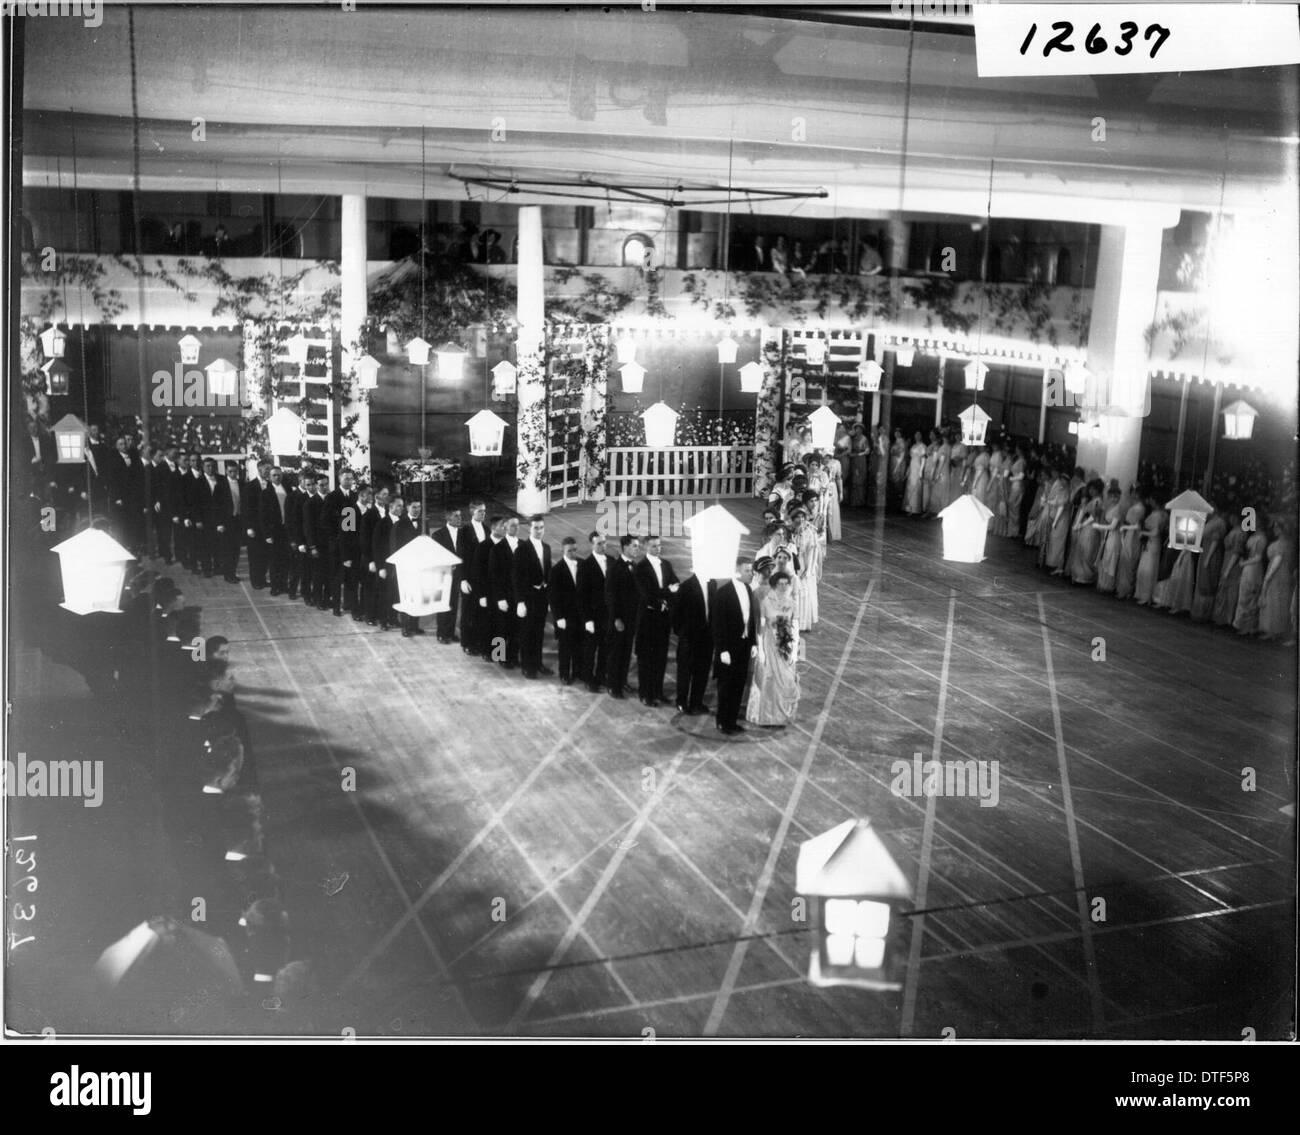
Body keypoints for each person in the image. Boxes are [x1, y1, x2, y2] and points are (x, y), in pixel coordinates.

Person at [746, 571, 801, 727]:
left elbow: (795, 628)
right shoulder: (766, 602)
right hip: (769, 644)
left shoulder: (793, 604)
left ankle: (781, 716)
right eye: (780, 584)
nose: (783, 587)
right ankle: (767, 716)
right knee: (769, 680)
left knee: (786, 679)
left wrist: (795, 651)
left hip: (786, 646)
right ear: (774, 585)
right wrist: (761, 651)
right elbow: (761, 628)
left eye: (786, 584)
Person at [711, 558, 758, 736]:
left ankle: (731, 720)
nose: (751, 573)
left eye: (751, 571)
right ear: (737, 571)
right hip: (729, 649)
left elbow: (750, 619)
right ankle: (722, 721)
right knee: (726, 686)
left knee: (738, 684)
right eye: (747, 570)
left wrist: (752, 642)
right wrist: (722, 649)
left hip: (743, 646)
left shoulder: (747, 589)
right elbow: (717, 624)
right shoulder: (723, 593)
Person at [633, 534, 678, 706]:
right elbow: (647, 594)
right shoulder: (640, 568)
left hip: (663, 618)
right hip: (647, 619)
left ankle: (658, 692)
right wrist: (668, 592)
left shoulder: (666, 564)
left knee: (660, 657)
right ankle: (645, 693)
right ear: (645, 547)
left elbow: (676, 583)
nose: (657, 549)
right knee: (646, 658)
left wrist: (667, 593)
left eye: (659, 546)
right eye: (653, 546)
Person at [514, 516, 553, 679]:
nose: (539, 531)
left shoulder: (546, 547)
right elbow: (517, 577)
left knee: (538, 632)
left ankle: (537, 663)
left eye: (541, 527)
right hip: (529, 596)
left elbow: (548, 573)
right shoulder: (521, 549)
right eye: (536, 528)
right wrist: (520, 602)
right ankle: (527, 666)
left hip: (542, 597)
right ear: (529, 529)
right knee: (527, 632)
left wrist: (550, 598)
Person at [605, 534, 641, 699]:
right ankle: (613, 685)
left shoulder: (634, 565)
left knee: (626, 652)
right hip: (620, 619)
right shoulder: (615, 567)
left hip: (632, 618)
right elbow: (611, 596)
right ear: (625, 547)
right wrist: (616, 619)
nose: (637, 549)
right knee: (616, 653)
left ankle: (622, 681)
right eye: (634, 546)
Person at [673, 571, 713, 716]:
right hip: (689, 638)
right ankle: (681, 701)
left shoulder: (712, 584)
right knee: (685, 671)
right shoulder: (686, 586)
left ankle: (696, 702)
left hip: (707, 637)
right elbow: (676, 613)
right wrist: (683, 633)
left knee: (702, 671)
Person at [577, 530, 611, 692]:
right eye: (599, 543)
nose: (603, 546)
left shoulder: (612, 561)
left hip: (608, 616)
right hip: (593, 615)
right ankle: (588, 678)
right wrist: (587, 620)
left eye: (605, 543)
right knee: (590, 649)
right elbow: (582, 595)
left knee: (605, 648)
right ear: (592, 545)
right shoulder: (585, 565)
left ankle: (601, 675)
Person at [455, 501, 490, 655]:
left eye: (484, 511)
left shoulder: (487, 529)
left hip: (484, 579)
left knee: (482, 613)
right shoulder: (463, 531)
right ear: (472, 512)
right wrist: (462, 579)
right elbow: (460, 556)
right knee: (468, 612)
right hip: (469, 578)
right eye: (480, 511)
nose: (483, 514)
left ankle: (483, 643)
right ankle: (467, 643)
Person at [548, 537, 583, 685]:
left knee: (579, 646)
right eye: (570, 550)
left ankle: (578, 672)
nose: (573, 553)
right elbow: (553, 596)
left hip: (580, 615)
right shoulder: (556, 570)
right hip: (565, 616)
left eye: (575, 549)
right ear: (563, 550)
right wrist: (559, 617)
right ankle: (564, 674)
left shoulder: (582, 564)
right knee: (565, 648)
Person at [472, 516, 507, 656]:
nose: (505, 529)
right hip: (487, 592)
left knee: (501, 625)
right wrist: (481, 595)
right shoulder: (483, 546)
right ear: (493, 528)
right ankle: (487, 651)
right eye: (502, 526)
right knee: (488, 624)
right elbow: (478, 573)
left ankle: (499, 654)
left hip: (501, 592)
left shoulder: (506, 544)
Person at [490, 516, 521, 667]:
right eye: (512, 526)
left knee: (516, 627)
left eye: (517, 525)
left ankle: (513, 656)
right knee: (501, 627)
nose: (515, 528)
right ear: (506, 528)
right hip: (504, 595)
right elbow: (494, 576)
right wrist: (500, 598)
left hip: (518, 595)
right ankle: (499, 656)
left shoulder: (523, 545)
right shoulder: (497, 548)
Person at [1189, 508, 1227, 623]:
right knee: (1202, 580)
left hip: (1211, 554)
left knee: (1207, 581)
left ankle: (1205, 612)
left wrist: (1208, 558)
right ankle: (1200, 611)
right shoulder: (1210, 522)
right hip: (1205, 551)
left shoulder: (1219, 523)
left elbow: (1215, 541)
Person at [1258, 521, 1293, 640]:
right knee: (1274, 601)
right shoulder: (1282, 544)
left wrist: (1268, 577)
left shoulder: (1282, 545)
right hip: (1279, 573)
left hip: (1278, 575)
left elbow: (1277, 561)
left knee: (1276, 601)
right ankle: (1272, 631)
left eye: (1277, 528)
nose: (1275, 530)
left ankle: (1275, 630)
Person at [431, 507, 463, 643]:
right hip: (444, 574)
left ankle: (450, 632)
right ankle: (442, 633)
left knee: (454, 603)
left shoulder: (463, 533)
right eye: (456, 516)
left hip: (458, 574)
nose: (459, 518)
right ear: (448, 517)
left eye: (460, 516)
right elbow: (435, 555)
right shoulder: (438, 535)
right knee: (444, 603)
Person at [260, 467, 291, 597]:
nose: (277, 477)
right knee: (274, 561)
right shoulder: (266, 493)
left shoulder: (287, 489)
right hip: (274, 531)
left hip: (286, 530)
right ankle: (274, 586)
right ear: (269, 477)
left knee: (285, 559)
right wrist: (267, 534)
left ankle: (283, 585)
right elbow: (262, 515)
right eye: (274, 475)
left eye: (279, 475)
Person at [1232, 524, 1268, 635]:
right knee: (1244, 594)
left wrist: (1244, 563)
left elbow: (1258, 557)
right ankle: (1243, 624)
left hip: (1253, 568)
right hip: (1248, 567)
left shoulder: (1261, 538)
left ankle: (1249, 626)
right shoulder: (1253, 536)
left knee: (1250, 595)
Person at [1212, 514, 1247, 626]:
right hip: (1227, 559)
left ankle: (1228, 618)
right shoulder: (1234, 531)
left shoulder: (1240, 533)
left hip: (1233, 563)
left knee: (1231, 590)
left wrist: (1228, 569)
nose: (1231, 519)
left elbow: (1237, 552)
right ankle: (1221, 617)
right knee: (1224, 589)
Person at [1068, 479, 1103, 585]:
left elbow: (1093, 516)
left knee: (1087, 552)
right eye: (1091, 489)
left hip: (1091, 529)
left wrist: (1081, 524)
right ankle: (1079, 576)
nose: (1091, 491)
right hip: (1086, 528)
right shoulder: (1092, 500)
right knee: (1082, 551)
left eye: (1094, 489)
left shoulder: (1097, 501)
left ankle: (1085, 577)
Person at [242, 460, 271, 590]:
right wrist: (249, 527)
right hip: (255, 527)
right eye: (266, 470)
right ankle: (256, 580)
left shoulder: (272, 485)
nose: (268, 472)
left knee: (265, 554)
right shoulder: (250, 486)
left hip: (267, 527)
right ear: (259, 470)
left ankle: (263, 578)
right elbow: (246, 508)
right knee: (255, 555)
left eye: (270, 469)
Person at [1114, 489, 1147, 600]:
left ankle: (1124, 590)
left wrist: (1124, 526)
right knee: (1129, 562)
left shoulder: (1137, 508)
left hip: (1132, 536)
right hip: (1133, 536)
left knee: (1127, 562)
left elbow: (1135, 525)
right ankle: (1127, 590)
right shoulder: (1140, 508)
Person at [1134, 496, 1166, 605]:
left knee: (1147, 569)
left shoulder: (1157, 515)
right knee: (1149, 568)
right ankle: (1147, 595)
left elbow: (1155, 532)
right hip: (1154, 543)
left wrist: (1143, 533)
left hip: (1152, 542)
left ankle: (1145, 595)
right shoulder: (1162, 514)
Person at [1093, 486, 1123, 594]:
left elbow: (1113, 526)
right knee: (1105, 558)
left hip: (1113, 536)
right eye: (1112, 496)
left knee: (1110, 559)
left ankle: (1108, 586)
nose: (1114, 499)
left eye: (1117, 497)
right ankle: (1102, 584)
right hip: (1107, 535)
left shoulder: (1118, 508)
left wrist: (1098, 526)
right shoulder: (1109, 507)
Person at [1042, 471, 1071, 575]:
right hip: (1057, 518)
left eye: (1064, 480)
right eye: (1061, 479)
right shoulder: (1061, 490)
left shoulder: (1067, 491)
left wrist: (1055, 521)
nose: (1062, 482)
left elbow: (1061, 507)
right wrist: (1047, 501)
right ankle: (1054, 564)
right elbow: (1056, 501)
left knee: (1058, 541)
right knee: (1054, 541)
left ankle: (1059, 566)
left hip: (1061, 520)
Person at [221, 460, 246, 584]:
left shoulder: (241, 483)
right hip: (228, 521)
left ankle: (233, 572)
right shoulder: (221, 485)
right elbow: (217, 506)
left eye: (235, 471)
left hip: (239, 520)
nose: (233, 473)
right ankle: (228, 574)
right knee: (228, 549)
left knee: (236, 549)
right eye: (230, 471)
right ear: (226, 471)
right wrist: (220, 523)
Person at [903, 431, 927, 516]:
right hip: (912, 466)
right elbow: (911, 458)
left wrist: (921, 470)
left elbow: (923, 459)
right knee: (910, 486)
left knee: (916, 486)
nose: (917, 436)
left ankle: (915, 508)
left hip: (918, 466)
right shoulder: (913, 446)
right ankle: (908, 507)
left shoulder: (923, 446)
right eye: (916, 435)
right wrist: (908, 469)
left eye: (919, 435)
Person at [848, 423, 868, 508]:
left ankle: (860, 501)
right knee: (854, 480)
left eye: (859, 429)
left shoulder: (864, 439)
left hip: (861, 460)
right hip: (854, 460)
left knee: (860, 479)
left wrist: (859, 454)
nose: (857, 430)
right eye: (856, 429)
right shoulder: (854, 439)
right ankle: (854, 501)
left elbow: (867, 450)